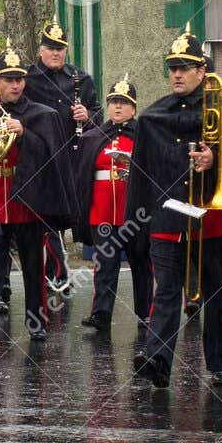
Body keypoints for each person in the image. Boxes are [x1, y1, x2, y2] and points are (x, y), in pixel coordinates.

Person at [129, 29, 222, 387]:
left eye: (185, 67)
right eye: (172, 68)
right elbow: (141, 177)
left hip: (214, 219)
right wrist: (134, 224)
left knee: (216, 295)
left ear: (202, 71)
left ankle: (219, 361)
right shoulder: (152, 117)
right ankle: (158, 359)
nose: (177, 74)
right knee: (166, 290)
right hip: (168, 218)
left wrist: (217, 158)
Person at [0, 43, 77, 345]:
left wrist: (24, 134)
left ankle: (36, 320)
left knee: (32, 265)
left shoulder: (41, 114)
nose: (15, 84)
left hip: (27, 200)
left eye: (19, 79)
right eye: (8, 79)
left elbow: (51, 155)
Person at [24, 19, 98, 292]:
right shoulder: (27, 78)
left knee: (66, 215)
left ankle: (57, 271)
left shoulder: (80, 78)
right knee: (45, 217)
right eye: (50, 48)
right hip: (38, 157)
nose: (55, 53)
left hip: (71, 155)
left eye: (60, 48)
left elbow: (100, 115)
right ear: (40, 49)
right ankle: (56, 271)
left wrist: (88, 116)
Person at [73, 75, 151, 331]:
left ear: (134, 107)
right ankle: (101, 313)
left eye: (123, 102)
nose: (117, 107)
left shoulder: (144, 135)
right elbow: (84, 175)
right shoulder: (93, 136)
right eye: (113, 102)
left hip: (135, 212)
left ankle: (145, 312)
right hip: (102, 211)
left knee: (141, 262)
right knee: (105, 264)